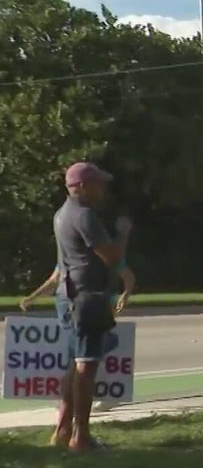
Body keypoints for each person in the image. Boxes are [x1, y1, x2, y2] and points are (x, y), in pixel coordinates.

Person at [21, 215, 135, 413]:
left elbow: (126, 273)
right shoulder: (67, 258)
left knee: (90, 353)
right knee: (80, 356)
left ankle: (91, 399)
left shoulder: (104, 253)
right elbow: (54, 281)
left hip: (100, 305)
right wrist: (32, 297)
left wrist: (125, 295)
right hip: (74, 308)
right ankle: (72, 400)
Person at [52, 161, 129, 451]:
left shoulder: (62, 214)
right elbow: (111, 256)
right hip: (85, 298)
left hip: (69, 295)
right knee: (86, 367)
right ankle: (81, 438)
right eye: (98, 184)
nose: (102, 189)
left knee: (75, 364)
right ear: (81, 187)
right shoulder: (84, 216)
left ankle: (62, 430)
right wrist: (123, 232)